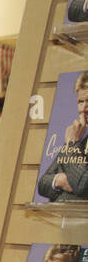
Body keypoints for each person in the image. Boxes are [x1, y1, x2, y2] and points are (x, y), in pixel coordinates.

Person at [37, 70, 88, 202]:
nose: (83, 109)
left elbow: (82, 185)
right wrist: (60, 180)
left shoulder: (74, 139)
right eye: (80, 102)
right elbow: (43, 183)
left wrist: (71, 144)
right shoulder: (80, 138)